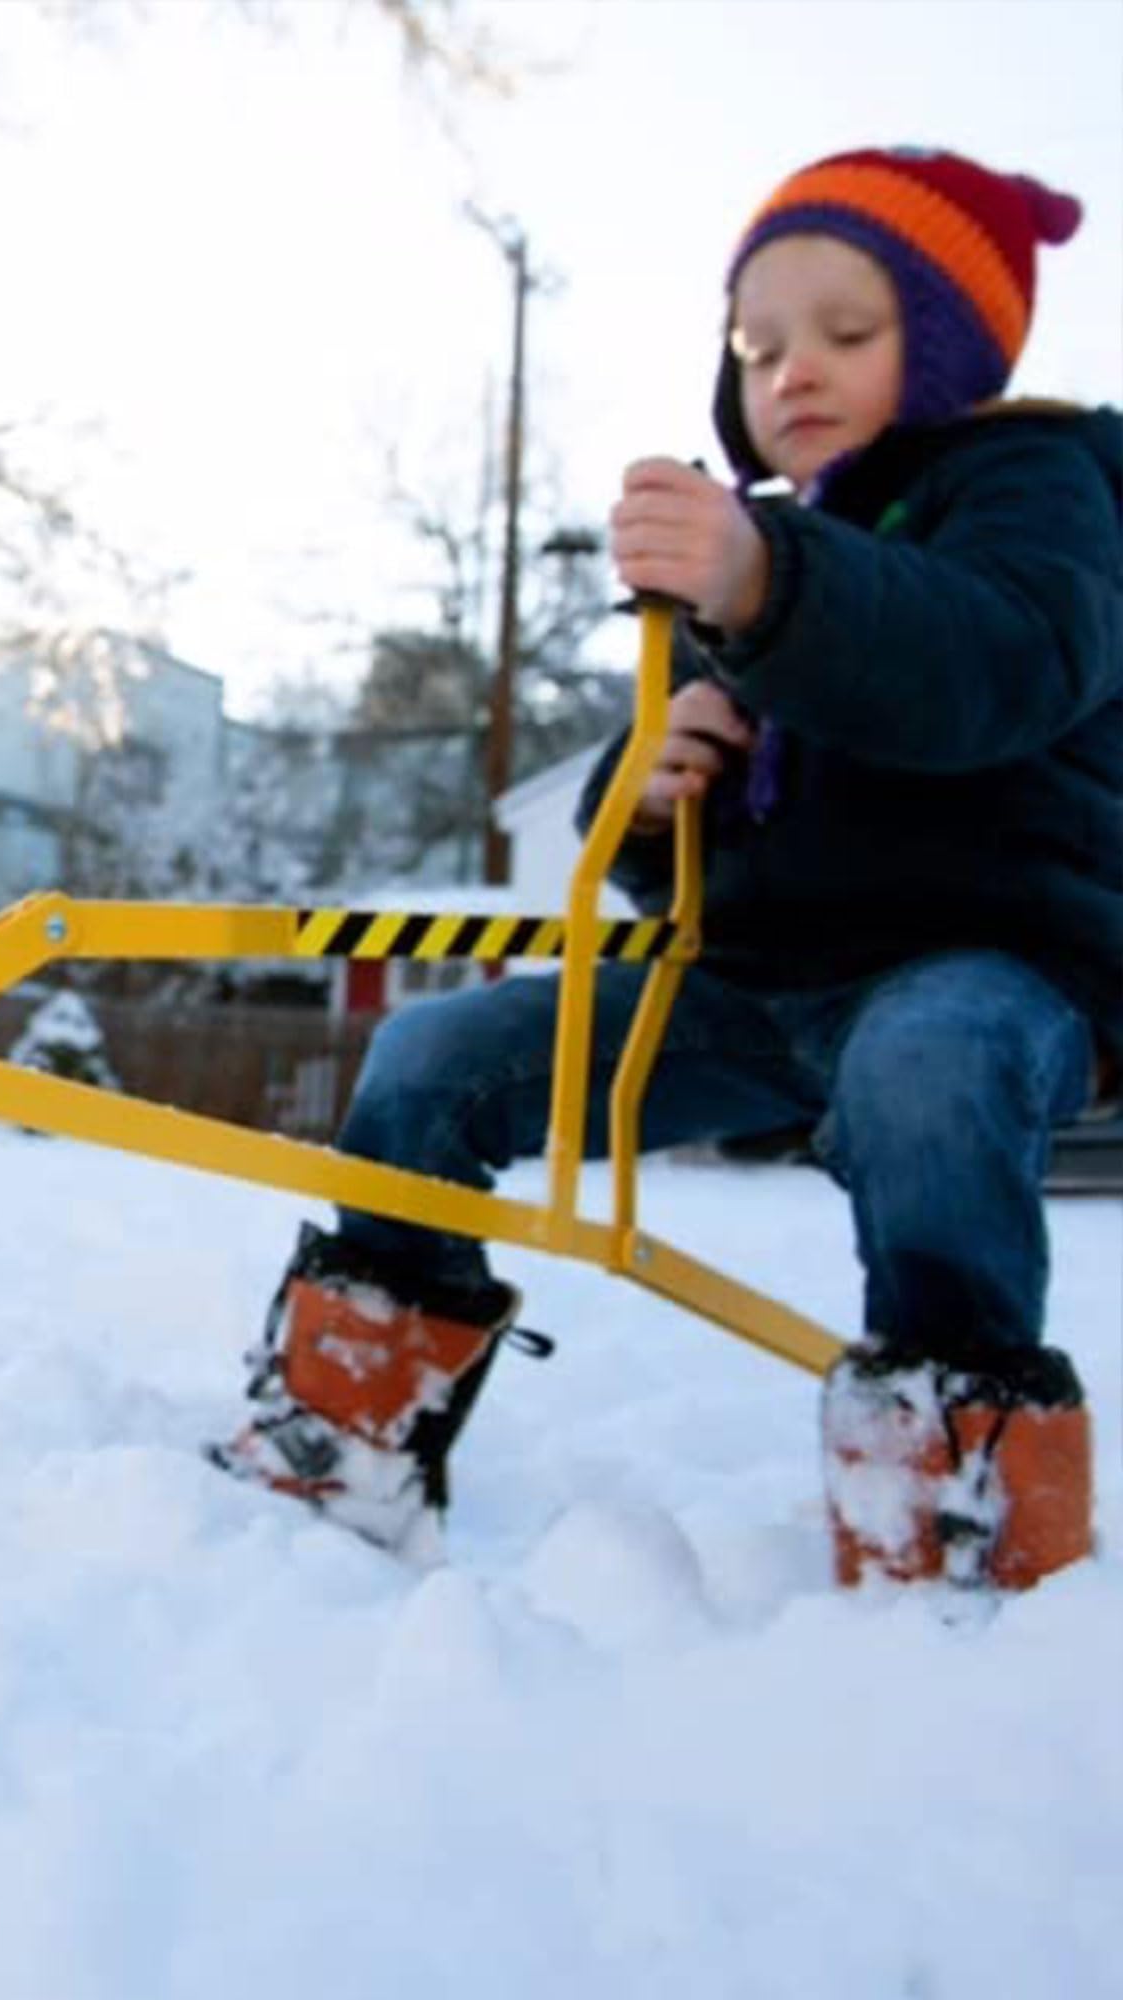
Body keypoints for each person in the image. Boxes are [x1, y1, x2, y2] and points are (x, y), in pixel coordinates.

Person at [210, 146, 1122, 1589]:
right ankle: (349, 1436)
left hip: (987, 969)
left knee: (927, 1072)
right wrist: (647, 806)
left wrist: (767, 583)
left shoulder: (1035, 490)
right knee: (435, 1060)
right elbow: (686, 880)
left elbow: (987, 668)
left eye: (846, 332)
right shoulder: (765, 550)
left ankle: (956, 1521)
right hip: (755, 983)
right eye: (759, 346)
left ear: (943, 342)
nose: (792, 371)